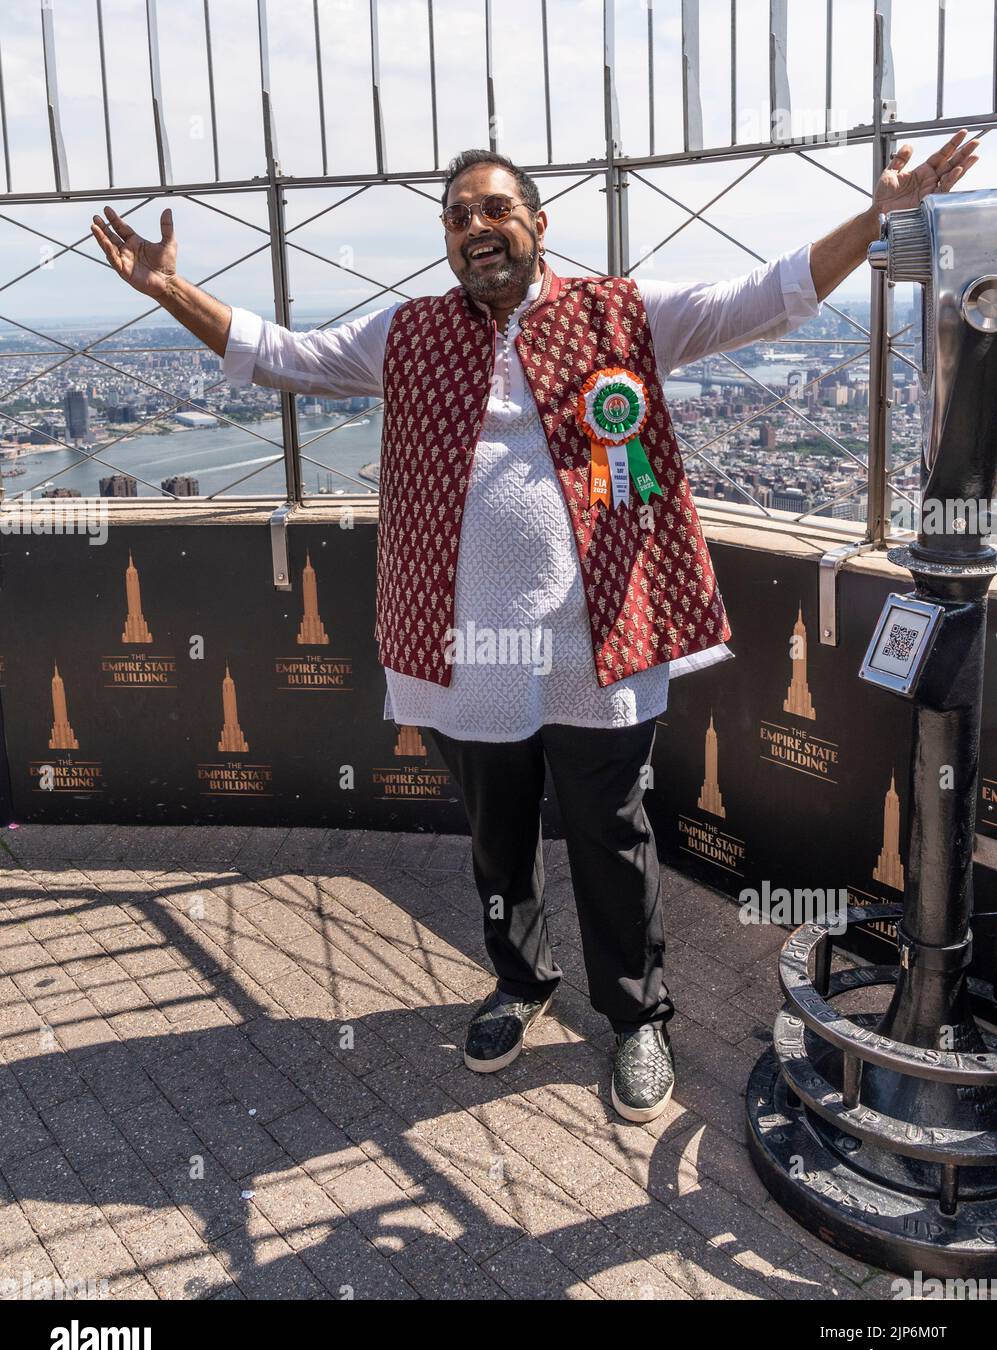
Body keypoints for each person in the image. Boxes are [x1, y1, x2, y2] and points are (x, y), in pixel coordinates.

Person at [91, 129, 980, 1123]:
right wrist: (169, 288)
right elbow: (281, 355)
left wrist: (880, 212)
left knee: (611, 831)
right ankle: (520, 982)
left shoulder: (619, 314)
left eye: (494, 208)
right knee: (498, 840)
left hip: (593, 645)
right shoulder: (406, 333)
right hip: (463, 657)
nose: (475, 226)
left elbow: (764, 296)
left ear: (538, 223)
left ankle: (636, 1015)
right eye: (458, 214)